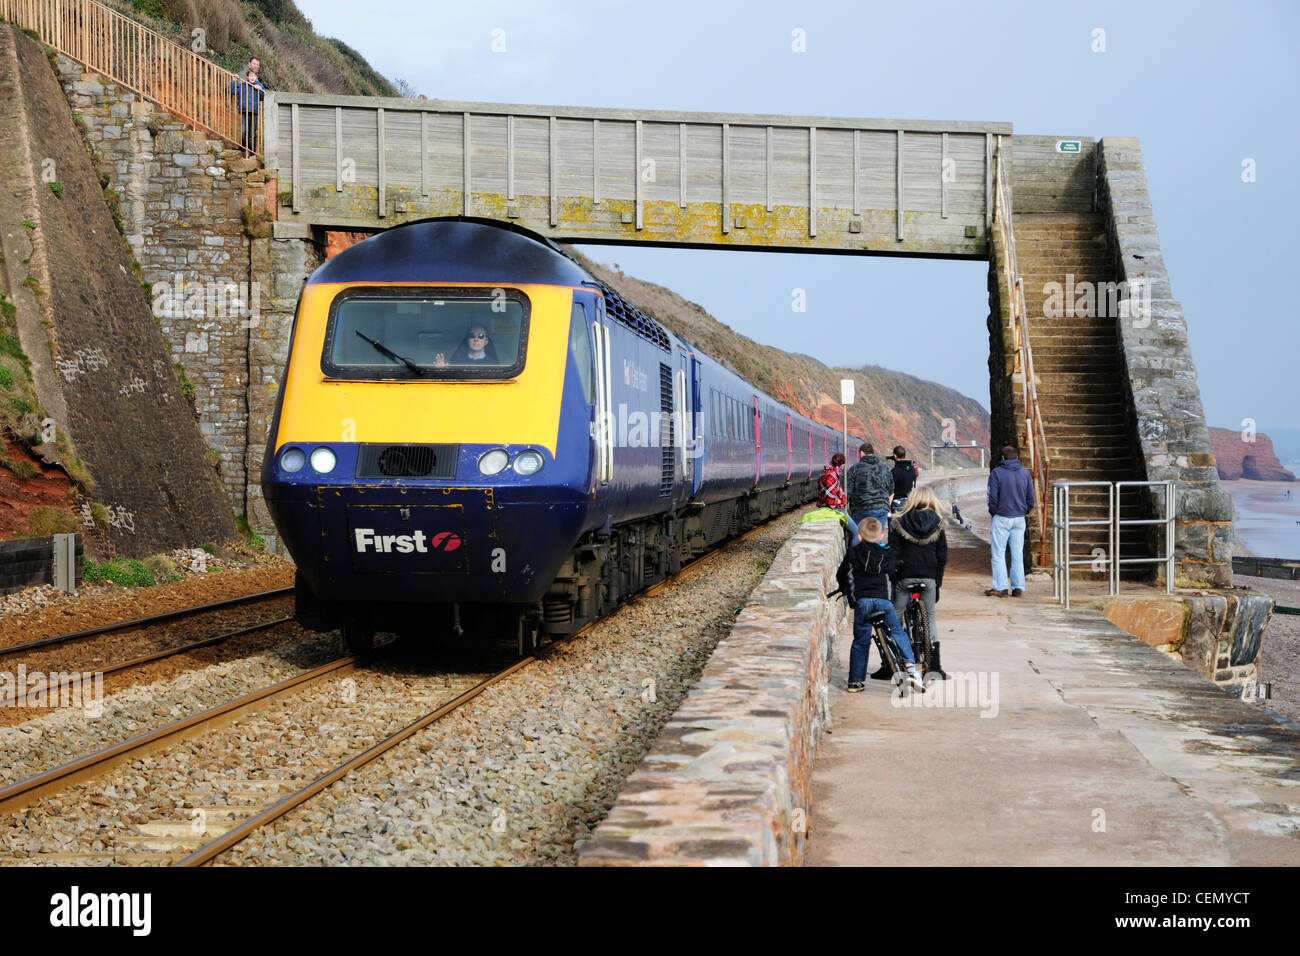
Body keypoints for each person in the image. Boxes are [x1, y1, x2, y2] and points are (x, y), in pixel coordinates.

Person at [846, 517, 923, 693]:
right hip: (884, 601)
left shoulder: (853, 552)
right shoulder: (887, 553)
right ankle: (911, 667)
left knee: (861, 641)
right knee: (897, 631)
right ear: (881, 536)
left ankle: (855, 682)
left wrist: (851, 598)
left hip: (863, 602)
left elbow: (843, 574)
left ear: (859, 536)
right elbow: (896, 571)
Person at [880, 487, 948, 679]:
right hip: (929, 576)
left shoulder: (899, 522)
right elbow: (942, 556)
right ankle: (935, 666)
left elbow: (893, 553)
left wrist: (893, 577)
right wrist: (937, 582)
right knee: (931, 618)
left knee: (894, 617)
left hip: (905, 576)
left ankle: (889, 664)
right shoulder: (938, 523)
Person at [987, 444, 1035, 597]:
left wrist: (995, 512)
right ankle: (1018, 587)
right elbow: (1031, 499)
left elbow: (992, 497)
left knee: (998, 554)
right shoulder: (1025, 474)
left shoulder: (996, 473)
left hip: (1002, 517)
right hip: (1019, 518)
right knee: (1017, 553)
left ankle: (1000, 587)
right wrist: (1023, 510)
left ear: (1002, 458)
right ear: (1017, 457)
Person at [846, 442, 894, 530]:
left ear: (861, 453)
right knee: (876, 537)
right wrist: (886, 506)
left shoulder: (855, 468)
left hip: (861, 508)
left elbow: (848, 491)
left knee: (859, 537)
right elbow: (891, 490)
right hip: (881, 509)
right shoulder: (884, 467)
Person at [230, 69, 266, 151]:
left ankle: (252, 150)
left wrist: (260, 89)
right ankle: (243, 147)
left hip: (254, 111)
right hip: (243, 110)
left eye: (254, 76)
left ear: (256, 77)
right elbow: (233, 91)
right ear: (247, 77)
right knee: (243, 131)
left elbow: (263, 97)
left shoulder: (259, 85)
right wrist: (234, 81)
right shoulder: (243, 85)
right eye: (250, 75)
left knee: (252, 132)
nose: (252, 77)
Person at [888, 445, 919, 513]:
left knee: (896, 523)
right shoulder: (911, 469)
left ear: (895, 456)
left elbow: (891, 490)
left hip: (897, 503)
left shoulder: (894, 471)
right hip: (909, 502)